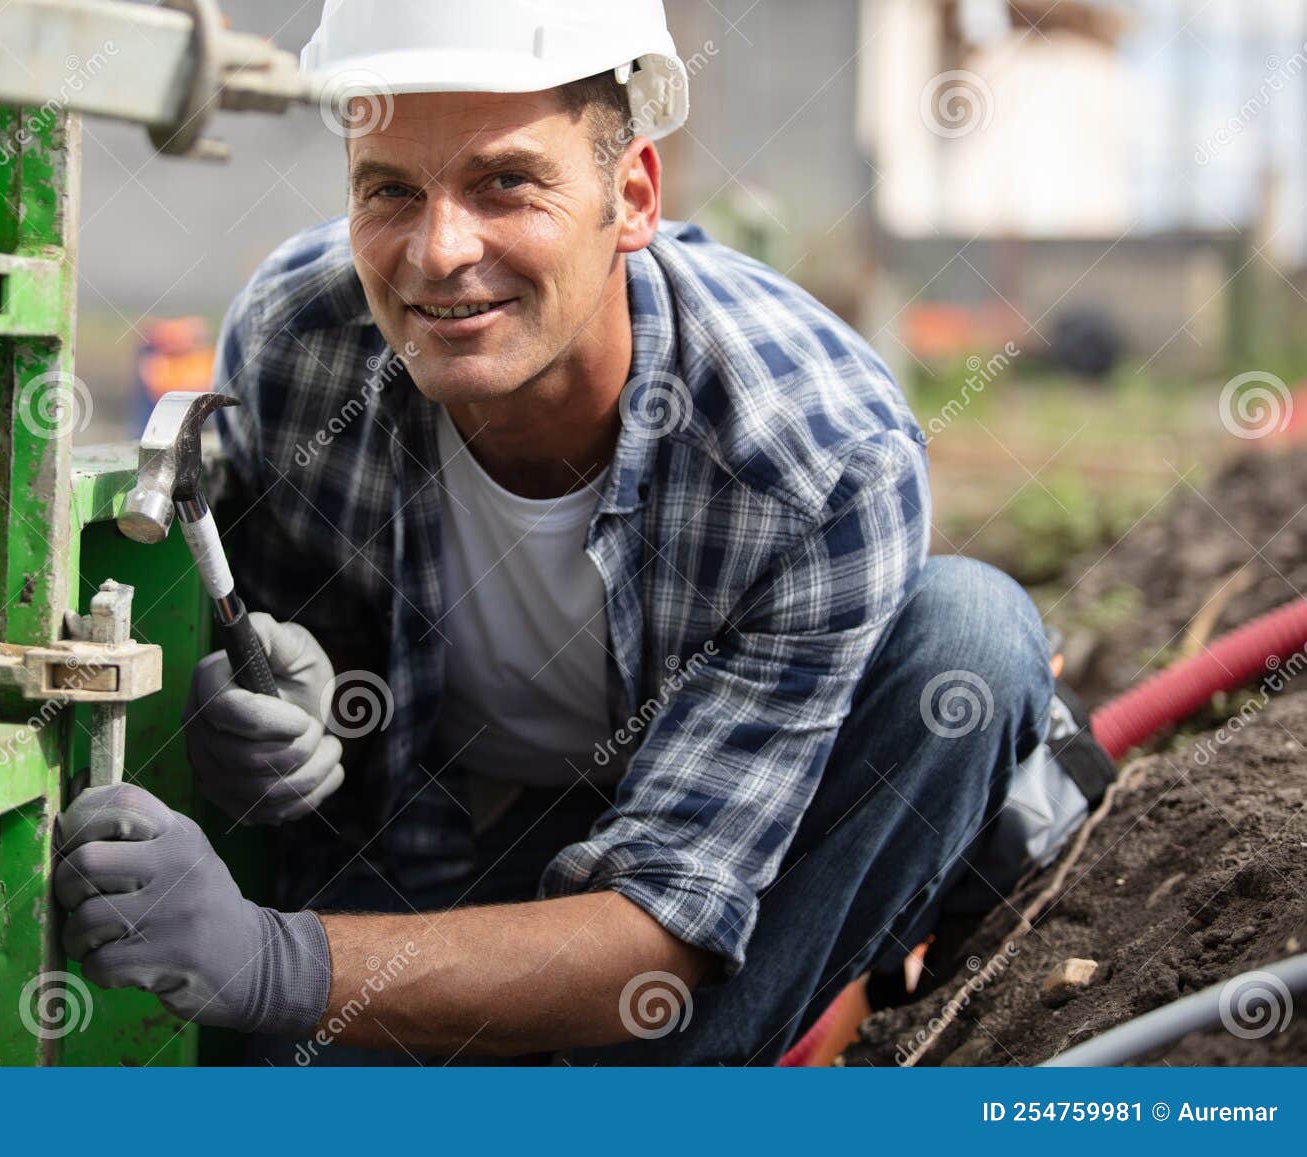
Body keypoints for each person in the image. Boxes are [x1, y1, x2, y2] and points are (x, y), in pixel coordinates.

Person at [53, 0, 1071, 1064]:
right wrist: (277, 711)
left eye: (505, 182)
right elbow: (305, 673)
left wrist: (273, 962)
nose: (439, 253)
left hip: (678, 861)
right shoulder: (303, 344)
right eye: (390, 189)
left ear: (629, 197)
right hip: (430, 842)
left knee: (971, 637)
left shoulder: (811, 455)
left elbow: (656, 941)